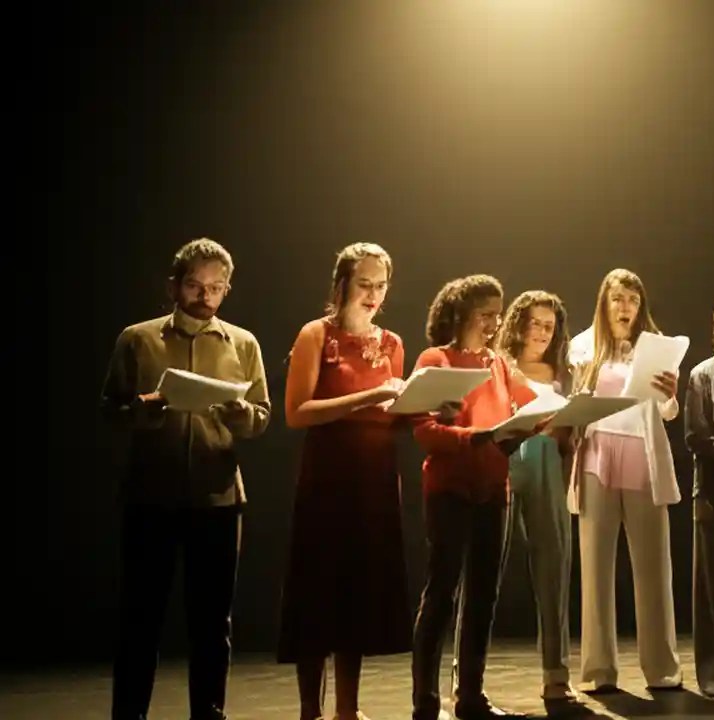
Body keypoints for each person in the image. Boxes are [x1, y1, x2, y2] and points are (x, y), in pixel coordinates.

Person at [101, 238, 270, 720]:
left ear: (227, 290)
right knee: (140, 620)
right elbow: (108, 411)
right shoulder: (138, 338)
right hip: (151, 497)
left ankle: (209, 714)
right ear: (174, 284)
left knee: (213, 624)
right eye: (195, 284)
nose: (205, 295)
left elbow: (261, 417)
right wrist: (144, 409)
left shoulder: (243, 343)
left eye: (215, 287)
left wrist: (240, 414)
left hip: (217, 498)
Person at [278, 243, 412, 720]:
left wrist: (427, 409)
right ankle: (310, 711)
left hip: (374, 480)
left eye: (381, 285)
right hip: (328, 480)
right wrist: (369, 395)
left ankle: (347, 711)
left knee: (358, 595)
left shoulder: (392, 343)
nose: (374, 294)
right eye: (365, 283)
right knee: (318, 594)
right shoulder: (317, 335)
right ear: (341, 285)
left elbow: (390, 415)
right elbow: (297, 413)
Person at [410, 275, 541, 720]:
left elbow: (528, 408)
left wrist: (534, 422)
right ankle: (425, 702)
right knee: (441, 594)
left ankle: (470, 696)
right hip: (450, 490)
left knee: (483, 595)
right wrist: (474, 437)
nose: (494, 322)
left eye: (497, 314)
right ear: (462, 313)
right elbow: (424, 431)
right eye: (486, 314)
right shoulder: (437, 358)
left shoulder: (499, 364)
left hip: (493, 490)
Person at [567, 269, 683, 693]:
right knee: (595, 569)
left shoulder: (655, 346)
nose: (625, 307)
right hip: (598, 457)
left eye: (632, 300)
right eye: (618, 298)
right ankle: (599, 671)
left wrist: (671, 394)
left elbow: (667, 412)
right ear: (605, 302)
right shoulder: (582, 346)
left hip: (641, 456)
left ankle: (662, 669)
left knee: (654, 569)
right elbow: (570, 404)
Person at [482, 290, 582, 709]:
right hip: (504, 460)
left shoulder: (564, 371)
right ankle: (467, 678)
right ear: (518, 323)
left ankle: (556, 676)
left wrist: (568, 425)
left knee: (554, 568)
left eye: (549, 324)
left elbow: (570, 434)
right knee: (485, 572)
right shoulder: (497, 363)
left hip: (546, 463)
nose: (541, 331)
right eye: (534, 322)